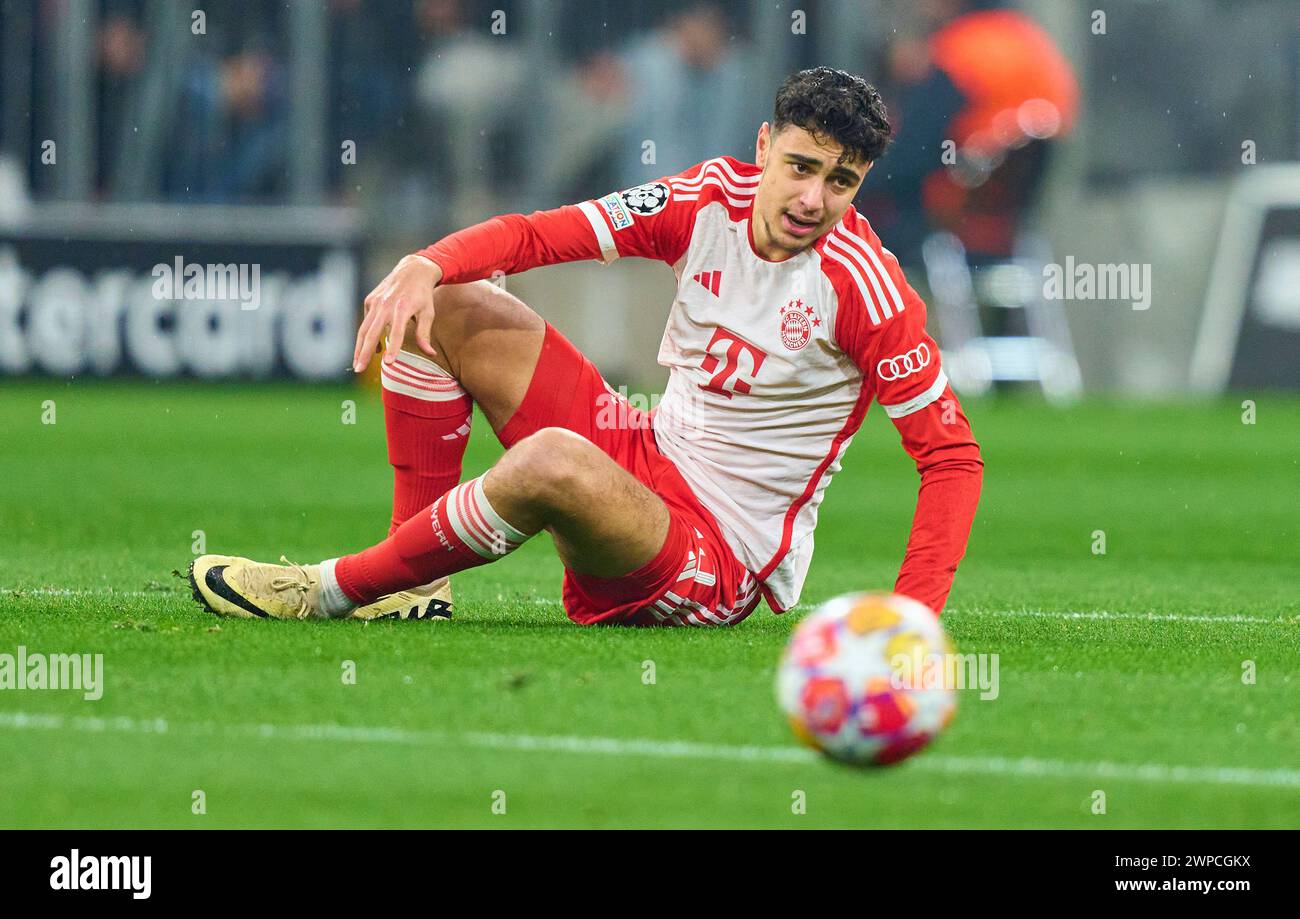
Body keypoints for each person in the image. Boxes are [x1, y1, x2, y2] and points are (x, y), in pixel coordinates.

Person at [188, 67, 984, 627]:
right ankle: (410, 590)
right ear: (765, 143)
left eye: (840, 182)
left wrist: (906, 623)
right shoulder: (708, 196)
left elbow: (950, 458)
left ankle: (328, 591)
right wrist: (425, 263)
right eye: (800, 167)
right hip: (646, 450)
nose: (812, 199)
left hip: (713, 555)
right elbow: (536, 236)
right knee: (452, 304)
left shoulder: (868, 288)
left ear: (862, 181)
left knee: (552, 462)